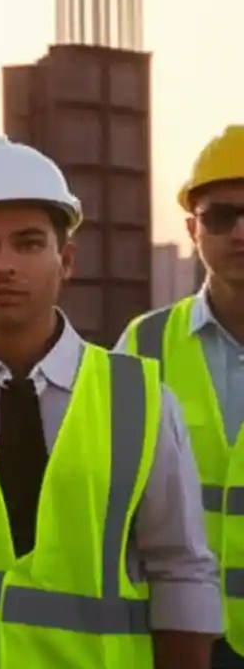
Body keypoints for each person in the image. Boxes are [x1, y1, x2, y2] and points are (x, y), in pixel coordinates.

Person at [0, 136, 221, 668]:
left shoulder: (137, 398)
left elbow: (181, 570)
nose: (4, 265)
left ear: (66, 259)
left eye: (28, 243)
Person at [117, 124, 244, 668]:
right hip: (184, 639)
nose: (241, 232)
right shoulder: (143, 346)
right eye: (221, 216)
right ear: (193, 227)